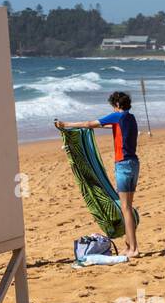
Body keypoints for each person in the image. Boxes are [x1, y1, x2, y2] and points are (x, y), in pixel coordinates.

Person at [56, 90, 140, 256]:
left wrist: (66, 125)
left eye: (113, 106)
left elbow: (89, 123)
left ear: (117, 105)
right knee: (127, 207)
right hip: (134, 163)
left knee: (125, 208)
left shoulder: (118, 116)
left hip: (123, 165)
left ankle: (134, 248)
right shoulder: (130, 118)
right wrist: (96, 129)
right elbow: (110, 127)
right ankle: (128, 245)